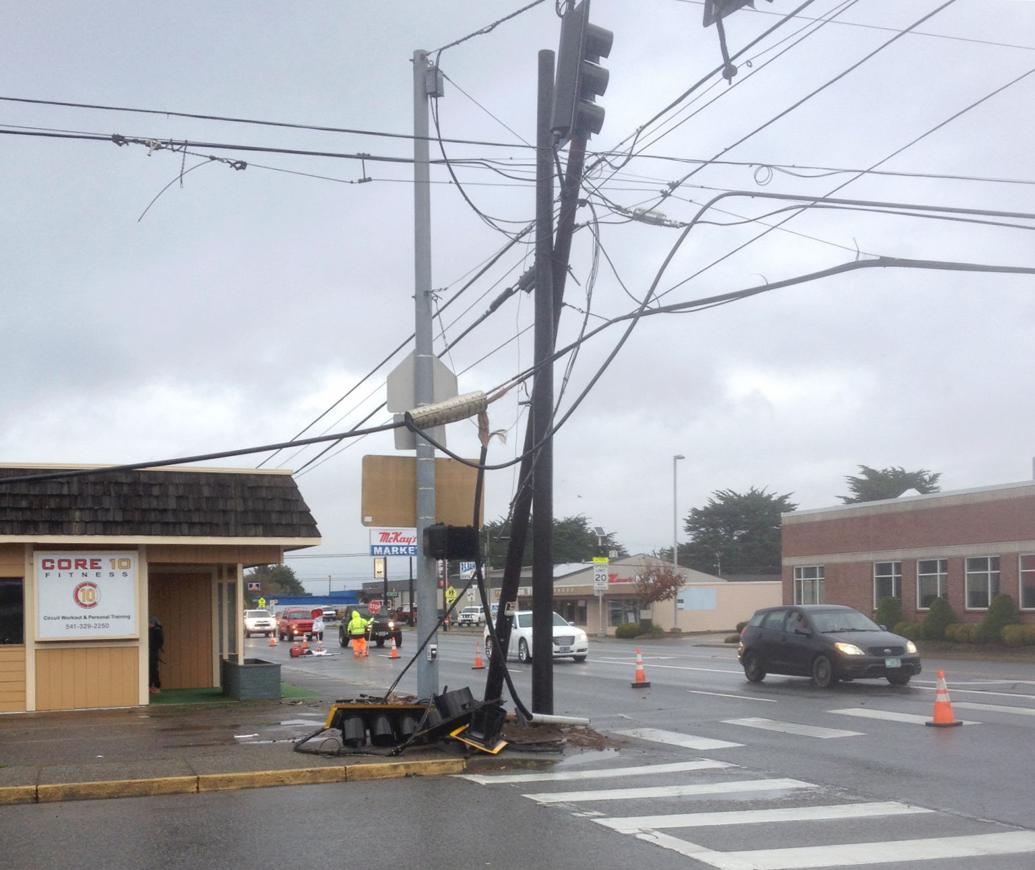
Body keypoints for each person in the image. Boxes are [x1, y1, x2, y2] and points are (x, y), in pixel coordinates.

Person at [148, 616, 164, 695]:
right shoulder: (152, 630)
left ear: (152, 623)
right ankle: (151, 686)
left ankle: (156, 686)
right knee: (151, 670)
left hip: (153, 652)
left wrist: (153, 648)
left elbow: (159, 642)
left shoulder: (157, 631)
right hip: (152, 651)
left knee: (153, 670)